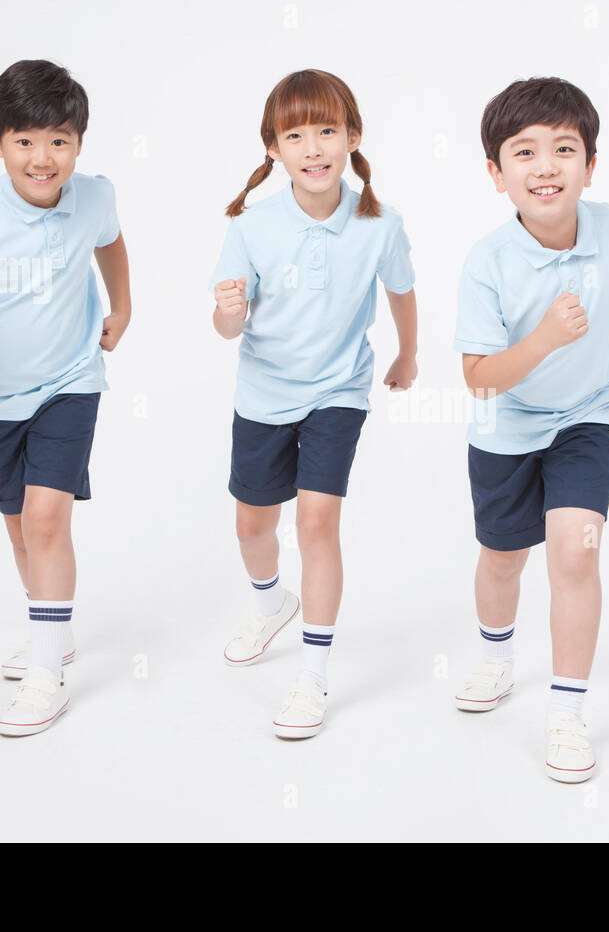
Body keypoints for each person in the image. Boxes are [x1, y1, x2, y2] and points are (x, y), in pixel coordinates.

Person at [452, 77, 609, 782]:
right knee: (504, 557)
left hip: (587, 417)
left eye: (564, 148)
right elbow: (479, 376)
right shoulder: (488, 261)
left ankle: (567, 712)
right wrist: (542, 340)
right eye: (525, 151)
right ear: (496, 173)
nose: (546, 166)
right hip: (505, 425)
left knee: (574, 553)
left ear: (589, 164)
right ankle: (497, 658)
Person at [210, 69, 418, 739]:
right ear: (273, 148)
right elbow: (227, 327)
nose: (313, 147)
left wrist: (406, 353)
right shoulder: (252, 224)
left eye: (327, 130)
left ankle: (313, 675)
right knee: (252, 526)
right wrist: (228, 312)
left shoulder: (380, 222)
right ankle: (272, 603)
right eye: (295, 135)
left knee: (318, 522)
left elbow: (402, 290)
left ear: (352, 137)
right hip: (264, 393)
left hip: (338, 390)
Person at [0, 59, 130, 736]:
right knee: (19, 529)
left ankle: (47, 674)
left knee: (47, 520)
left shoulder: (93, 196)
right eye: (25, 141)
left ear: (78, 143)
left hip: (72, 381)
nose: (42, 158)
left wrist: (122, 308)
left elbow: (111, 241)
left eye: (59, 141)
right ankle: (57, 626)